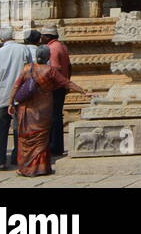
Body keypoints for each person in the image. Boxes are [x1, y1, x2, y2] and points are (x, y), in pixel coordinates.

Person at [11, 45, 88, 177]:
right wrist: (84, 91)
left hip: (27, 110)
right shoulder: (50, 71)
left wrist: (10, 102)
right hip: (43, 110)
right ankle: (41, 168)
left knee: (26, 139)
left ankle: (25, 168)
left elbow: (16, 86)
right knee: (42, 140)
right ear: (48, 57)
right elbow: (66, 83)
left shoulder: (27, 68)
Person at [0, 25, 36, 170]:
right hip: (21, 95)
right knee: (19, 128)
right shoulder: (23, 49)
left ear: (1, 38)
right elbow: (30, 70)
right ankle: (18, 157)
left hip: (3, 95)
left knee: (1, 131)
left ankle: (0, 161)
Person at [41, 26, 72, 157]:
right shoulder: (63, 47)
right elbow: (69, 67)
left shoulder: (52, 49)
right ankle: (58, 146)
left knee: (52, 117)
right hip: (62, 85)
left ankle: (54, 146)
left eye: (43, 36)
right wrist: (67, 82)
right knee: (57, 116)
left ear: (48, 36)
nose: (41, 38)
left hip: (54, 87)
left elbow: (54, 69)